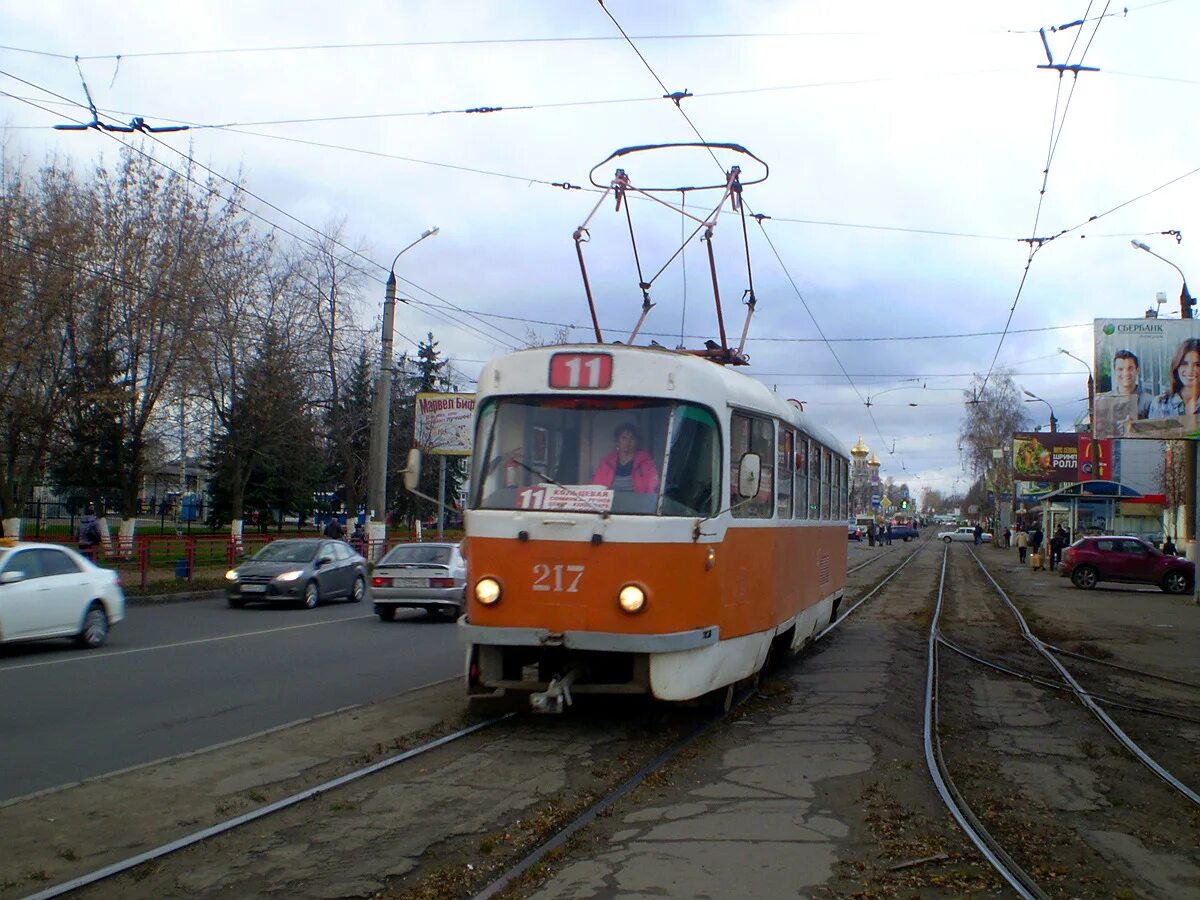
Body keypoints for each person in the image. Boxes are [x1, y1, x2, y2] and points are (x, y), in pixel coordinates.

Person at [591, 422, 659, 493]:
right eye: (624, 438)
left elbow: (652, 489)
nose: (628, 442)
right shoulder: (606, 463)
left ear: (637, 442)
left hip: (636, 503)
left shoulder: (647, 463)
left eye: (632, 438)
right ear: (617, 442)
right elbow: (596, 488)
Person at [1149, 338, 1200, 419]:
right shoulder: (1160, 403)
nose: (1190, 370)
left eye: (1197, 364)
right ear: (1176, 366)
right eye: (1184, 364)